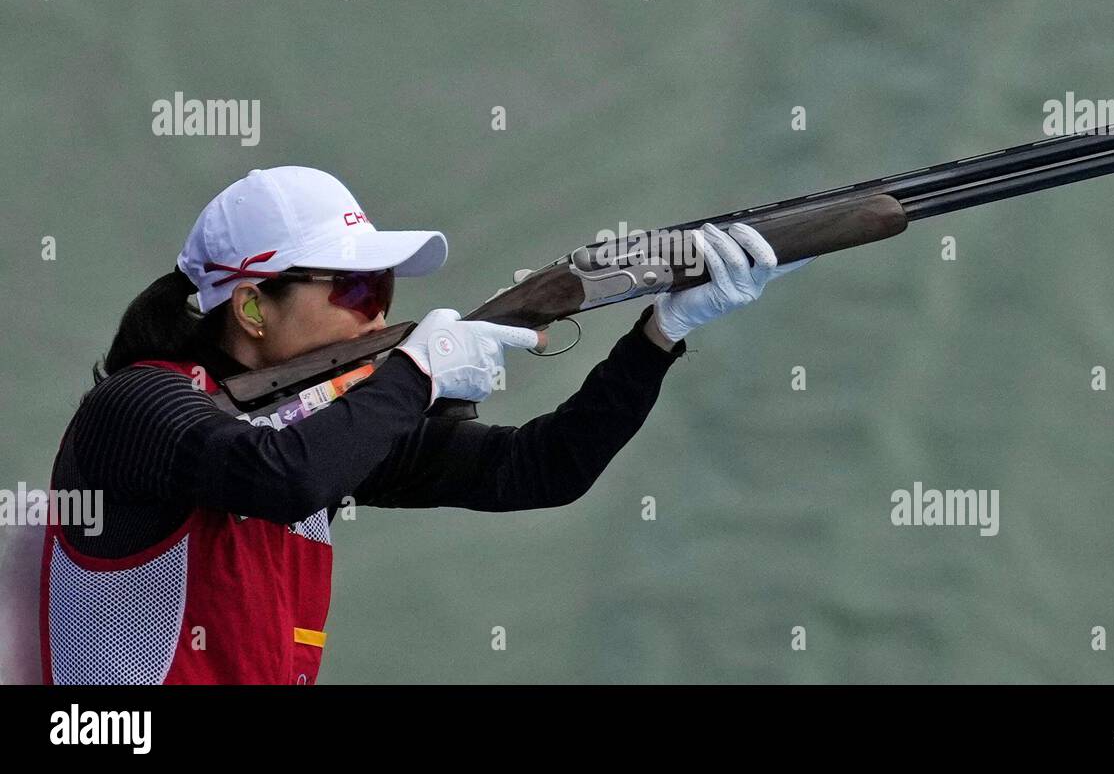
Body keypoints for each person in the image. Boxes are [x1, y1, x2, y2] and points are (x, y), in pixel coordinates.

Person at [39, 166, 809, 684]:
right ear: (250, 306)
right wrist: (420, 371)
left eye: (382, 284)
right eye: (354, 287)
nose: (379, 307)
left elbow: (539, 470)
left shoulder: (308, 432)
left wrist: (657, 338)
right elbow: (279, 477)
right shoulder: (135, 408)